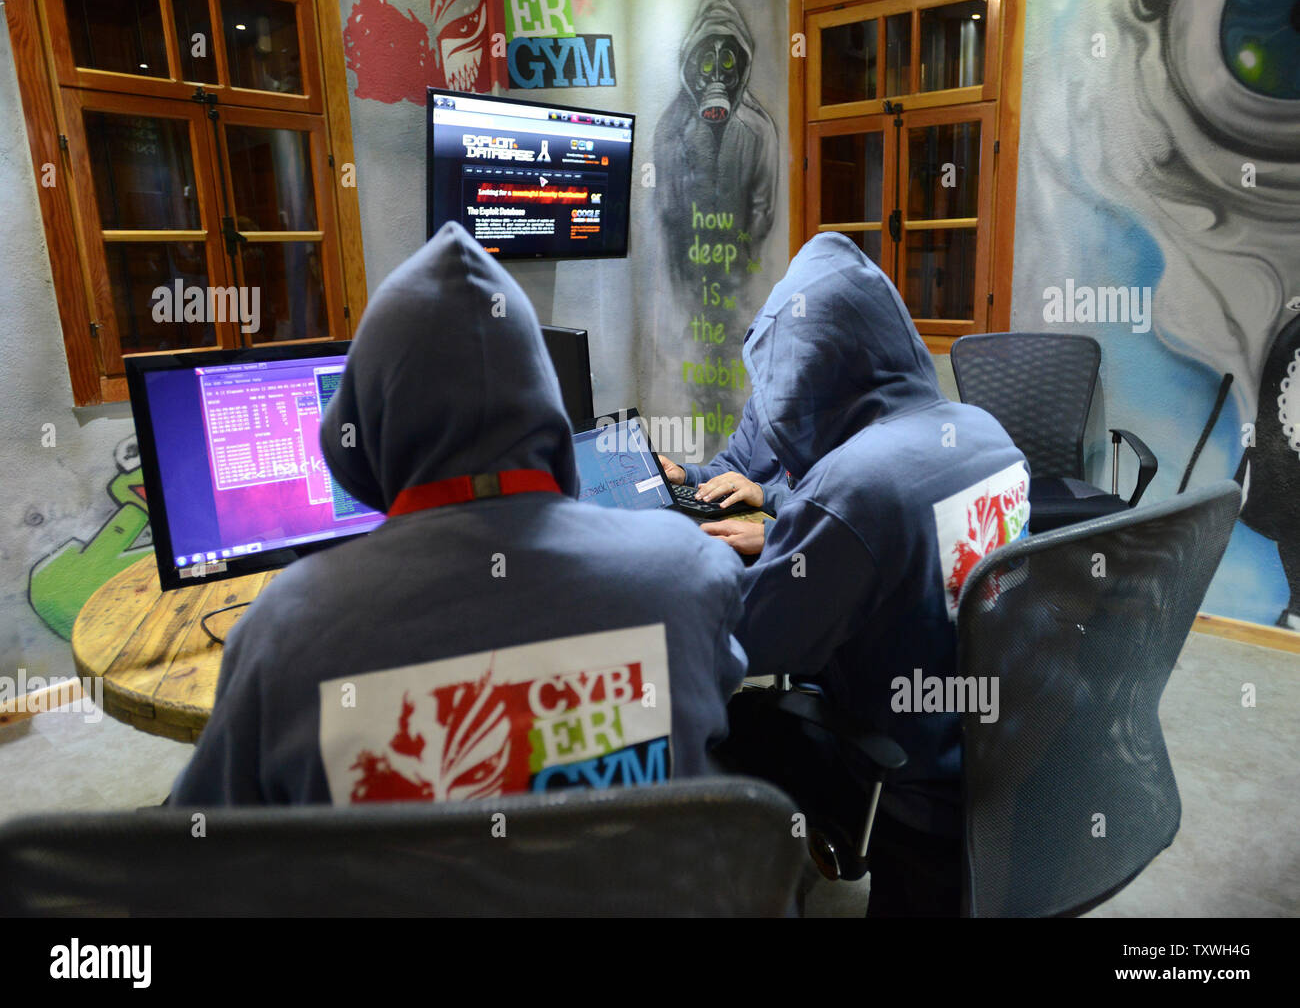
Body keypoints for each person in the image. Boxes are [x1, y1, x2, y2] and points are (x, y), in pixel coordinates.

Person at [170, 223, 747, 806]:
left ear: (363, 429)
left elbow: (214, 853)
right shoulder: (690, 570)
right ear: (546, 411)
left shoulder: (283, 633)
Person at [707, 233, 1031, 916]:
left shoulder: (853, 487)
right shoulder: (985, 431)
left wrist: (679, 563)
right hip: (1001, 746)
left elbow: (749, 643)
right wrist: (787, 533)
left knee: (725, 719)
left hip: (906, 774)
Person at [659, 396, 793, 516]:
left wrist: (764, 494)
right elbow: (732, 469)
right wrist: (685, 475)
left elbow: (812, 503)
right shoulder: (761, 402)